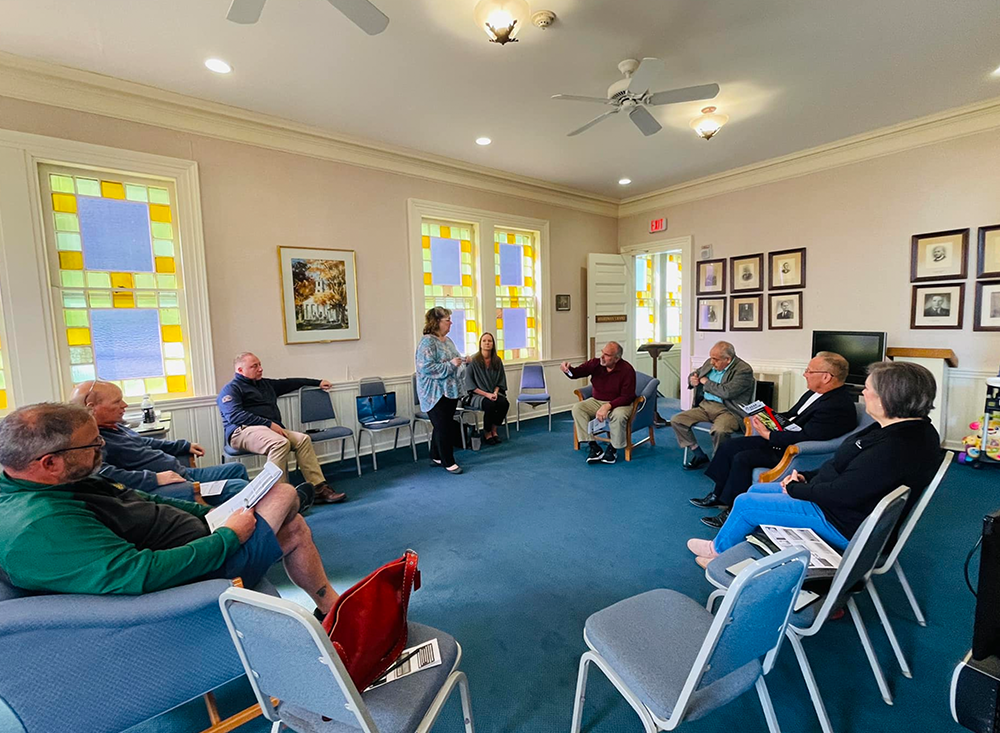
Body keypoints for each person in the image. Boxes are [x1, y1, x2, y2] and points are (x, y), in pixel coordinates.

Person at [0, 403, 339, 621]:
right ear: (49, 462)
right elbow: (142, 573)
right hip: (197, 571)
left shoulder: (61, 481)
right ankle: (333, 607)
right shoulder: (41, 527)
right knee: (284, 499)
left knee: (288, 515)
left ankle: (331, 608)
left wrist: (211, 514)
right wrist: (228, 536)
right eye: (93, 445)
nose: (102, 448)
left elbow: (143, 500)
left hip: (201, 536)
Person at [687, 361, 943, 568]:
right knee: (754, 491)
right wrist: (806, 477)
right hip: (840, 505)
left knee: (746, 503)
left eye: (868, 389)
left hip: (840, 521)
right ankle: (730, 546)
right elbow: (845, 469)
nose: (863, 394)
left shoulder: (894, 448)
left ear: (888, 397)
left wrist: (798, 490)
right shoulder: (908, 430)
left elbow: (843, 493)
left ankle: (719, 552)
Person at [690, 352, 858, 529]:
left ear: (826, 377)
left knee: (743, 458)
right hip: (782, 437)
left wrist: (769, 435)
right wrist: (766, 416)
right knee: (729, 446)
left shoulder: (838, 405)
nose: (804, 374)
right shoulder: (813, 393)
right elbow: (793, 416)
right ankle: (718, 494)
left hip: (794, 449)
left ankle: (732, 509)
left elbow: (808, 436)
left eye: (809, 371)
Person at [69, 380, 249, 505]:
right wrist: (154, 478)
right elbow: (103, 474)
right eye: (117, 402)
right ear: (91, 408)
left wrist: (182, 446)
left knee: (237, 469)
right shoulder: (92, 440)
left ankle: (253, 519)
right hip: (172, 486)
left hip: (182, 473)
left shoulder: (115, 426)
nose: (124, 405)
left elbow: (145, 442)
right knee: (240, 487)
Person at [218, 353, 345, 504]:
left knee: (303, 439)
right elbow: (235, 416)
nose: (260, 369)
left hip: (270, 430)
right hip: (242, 432)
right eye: (254, 366)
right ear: (240, 370)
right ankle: (281, 499)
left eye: (259, 364)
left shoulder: (265, 384)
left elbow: (292, 382)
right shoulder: (231, 389)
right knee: (280, 442)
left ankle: (318, 489)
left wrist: (318, 382)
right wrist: (269, 424)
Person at [671, 341, 755, 467]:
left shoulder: (743, 370)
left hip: (729, 410)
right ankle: (698, 454)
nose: (711, 362)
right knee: (677, 420)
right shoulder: (709, 363)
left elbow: (727, 392)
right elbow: (695, 375)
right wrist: (692, 380)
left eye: (715, 360)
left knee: (720, 431)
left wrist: (705, 382)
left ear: (728, 359)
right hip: (706, 406)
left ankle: (719, 462)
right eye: (711, 358)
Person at [561, 341, 637, 465]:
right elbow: (577, 373)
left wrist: (608, 406)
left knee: (619, 416)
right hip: (597, 401)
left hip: (620, 403)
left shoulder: (627, 370)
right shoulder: (596, 363)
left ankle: (613, 449)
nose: (602, 356)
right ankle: (593, 447)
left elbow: (627, 397)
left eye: (607, 355)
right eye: (602, 352)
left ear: (616, 358)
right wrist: (567, 370)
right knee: (578, 408)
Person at [416, 307, 467, 474]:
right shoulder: (427, 342)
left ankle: (436, 455)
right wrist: (451, 364)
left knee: (441, 426)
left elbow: (454, 359)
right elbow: (426, 368)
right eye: (447, 320)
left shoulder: (448, 340)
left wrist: (461, 361)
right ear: (437, 322)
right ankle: (448, 461)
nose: (451, 322)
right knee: (444, 427)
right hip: (434, 393)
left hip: (450, 391)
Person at [463, 332, 508, 445]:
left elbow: (500, 380)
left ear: (493, 344)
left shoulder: (497, 361)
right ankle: (487, 433)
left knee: (503, 403)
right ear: (480, 344)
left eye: (489, 341)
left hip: (493, 392)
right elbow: (470, 384)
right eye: (484, 341)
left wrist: (495, 392)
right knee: (490, 405)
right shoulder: (473, 361)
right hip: (477, 394)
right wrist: (487, 394)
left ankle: (494, 430)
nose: (487, 343)